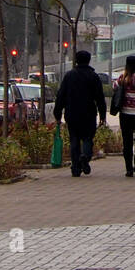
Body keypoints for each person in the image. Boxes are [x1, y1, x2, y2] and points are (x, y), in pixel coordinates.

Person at [53, 50, 106, 178]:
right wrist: (102, 115)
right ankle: (85, 157)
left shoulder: (69, 76)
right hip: (88, 113)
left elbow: (61, 96)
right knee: (88, 138)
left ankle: (75, 167)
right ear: (88, 60)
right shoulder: (93, 76)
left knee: (74, 139)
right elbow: (100, 97)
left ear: (76, 60)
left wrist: (58, 113)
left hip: (72, 113)